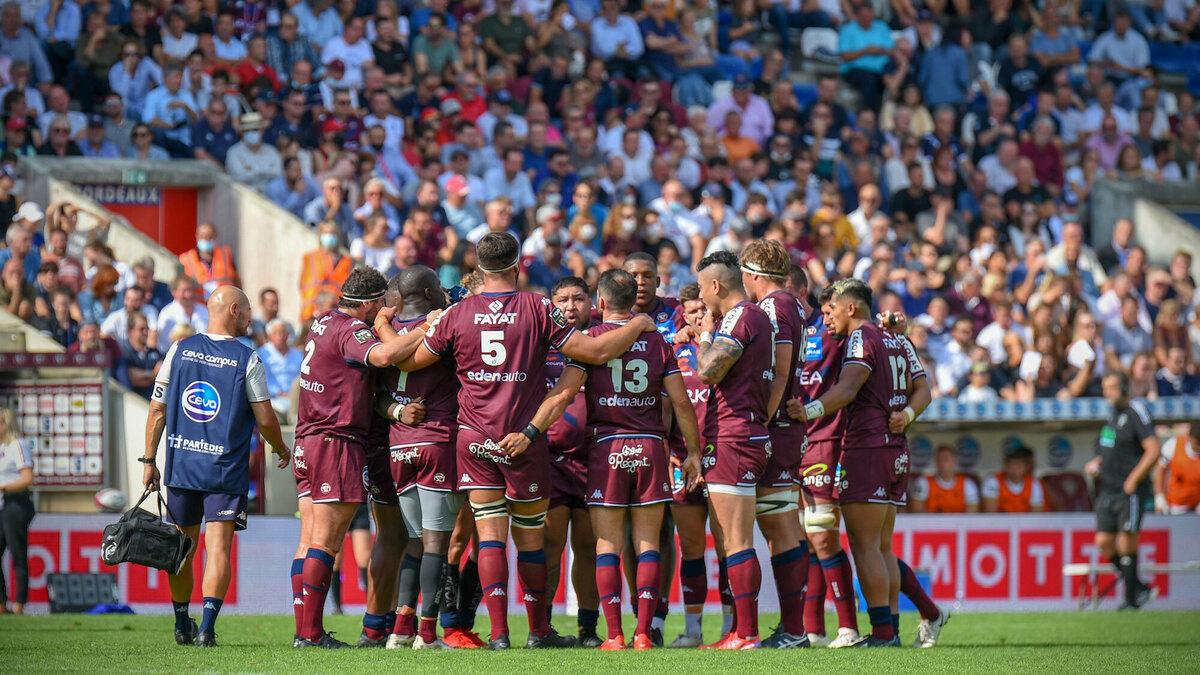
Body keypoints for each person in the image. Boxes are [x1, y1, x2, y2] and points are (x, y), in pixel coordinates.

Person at [392, 232, 656, 649]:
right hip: (524, 439)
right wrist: (640, 321)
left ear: (480, 269)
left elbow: (409, 360)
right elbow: (595, 351)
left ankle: (499, 636)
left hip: (474, 438)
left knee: (490, 536)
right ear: (518, 265)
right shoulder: (537, 307)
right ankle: (538, 631)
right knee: (531, 539)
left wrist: (382, 330)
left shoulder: (456, 314)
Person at [549, 269, 701, 651]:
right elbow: (680, 402)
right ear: (634, 300)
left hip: (607, 447)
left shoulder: (589, 341)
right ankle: (644, 634)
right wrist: (693, 452)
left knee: (608, 546)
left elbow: (565, 395)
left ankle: (614, 635)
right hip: (650, 446)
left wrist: (533, 430)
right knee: (649, 543)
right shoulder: (658, 342)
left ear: (599, 302)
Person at [141, 286, 290, 647]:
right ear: (234, 310)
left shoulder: (178, 350)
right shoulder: (247, 358)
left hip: (182, 464)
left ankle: (181, 623)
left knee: (182, 547)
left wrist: (149, 461)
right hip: (224, 468)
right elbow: (267, 418)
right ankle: (206, 627)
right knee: (218, 548)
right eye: (248, 312)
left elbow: (158, 409)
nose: (251, 319)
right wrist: (280, 447)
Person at [290, 266, 429, 649]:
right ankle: (312, 635)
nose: (382, 309)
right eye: (380, 303)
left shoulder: (322, 322)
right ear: (368, 303)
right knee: (326, 543)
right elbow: (383, 356)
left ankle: (305, 631)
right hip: (335, 440)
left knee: (308, 542)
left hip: (307, 439)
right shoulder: (352, 330)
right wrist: (425, 327)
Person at [788, 278, 931, 647]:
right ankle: (892, 631)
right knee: (882, 547)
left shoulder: (861, 338)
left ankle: (882, 633)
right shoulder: (897, 338)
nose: (827, 316)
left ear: (850, 307)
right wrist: (909, 416)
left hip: (866, 448)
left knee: (865, 547)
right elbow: (924, 389)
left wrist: (809, 410)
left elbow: (848, 389)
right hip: (896, 449)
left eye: (832, 308)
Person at [372, 266, 461, 650]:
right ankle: (427, 634)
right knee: (436, 543)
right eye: (440, 287)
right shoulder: (442, 324)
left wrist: (394, 410)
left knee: (414, 540)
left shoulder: (383, 336)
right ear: (428, 293)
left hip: (399, 446)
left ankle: (400, 632)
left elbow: (373, 393)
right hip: (436, 441)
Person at [692, 250, 774, 649]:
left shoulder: (741, 317)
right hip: (741, 433)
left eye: (703, 292)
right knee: (730, 539)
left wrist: (704, 334)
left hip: (735, 435)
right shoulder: (751, 318)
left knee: (737, 539)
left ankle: (747, 633)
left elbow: (707, 371)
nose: (702, 302)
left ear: (715, 286)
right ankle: (741, 631)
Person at [738, 241, 811, 649]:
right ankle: (794, 628)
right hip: (786, 424)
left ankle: (794, 630)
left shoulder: (773, 307)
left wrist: (762, 417)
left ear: (752, 275)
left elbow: (779, 371)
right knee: (781, 523)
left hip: (777, 424)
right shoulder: (797, 304)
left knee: (780, 525)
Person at [542, 276, 602, 648]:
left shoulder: (602, 339)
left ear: (591, 303)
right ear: (551, 303)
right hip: (548, 460)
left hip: (593, 458)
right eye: (562, 299)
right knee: (549, 546)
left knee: (588, 548)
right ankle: (542, 625)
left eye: (578, 298)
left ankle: (588, 629)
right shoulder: (539, 341)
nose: (569, 306)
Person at [1085, 371, 1161, 610]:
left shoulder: (1136, 412)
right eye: (1105, 388)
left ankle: (1131, 601)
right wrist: (1098, 461)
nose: (1107, 392)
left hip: (1129, 491)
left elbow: (1153, 449)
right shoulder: (1113, 415)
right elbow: (1109, 446)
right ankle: (1139, 589)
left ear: (1125, 388)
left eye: (1113, 387)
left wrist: (1134, 479)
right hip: (1108, 490)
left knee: (1128, 543)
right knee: (1104, 542)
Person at [0, 407, 34, 615]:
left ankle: (19, 604)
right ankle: (2, 603)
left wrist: (2, 487)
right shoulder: (2, 447)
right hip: (2, 504)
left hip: (16, 503)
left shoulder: (17, 444)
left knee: (18, 553)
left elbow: (27, 478)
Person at [909, 445, 981, 513]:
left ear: (954, 461)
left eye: (946, 459)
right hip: (931, 526)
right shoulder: (923, 482)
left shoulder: (967, 484)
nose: (942, 463)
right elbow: (917, 510)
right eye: (939, 459)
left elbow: (972, 515)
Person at [255, 319, 303, 421]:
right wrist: (278, 392)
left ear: (288, 335)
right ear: (269, 336)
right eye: (276, 333)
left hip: (296, 399)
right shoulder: (262, 354)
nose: (280, 336)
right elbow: (261, 378)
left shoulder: (297, 354)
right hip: (273, 399)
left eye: (283, 333)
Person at [179, 222, 241, 301]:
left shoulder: (225, 254)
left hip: (224, 303)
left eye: (209, 236)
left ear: (215, 237)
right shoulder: (186, 259)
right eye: (202, 236)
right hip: (199, 306)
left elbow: (236, 279)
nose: (205, 239)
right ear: (196, 237)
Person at [982, 446, 1046, 513]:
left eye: (1019, 465)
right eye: (1012, 465)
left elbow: (1036, 514)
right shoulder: (993, 481)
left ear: (1026, 467)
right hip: (1000, 522)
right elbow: (991, 513)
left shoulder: (1033, 483)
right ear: (1006, 466)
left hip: (1026, 522)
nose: (1015, 469)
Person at [1154, 424, 1200, 515]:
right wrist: (1159, 497)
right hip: (1176, 506)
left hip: (1197, 506)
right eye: (1197, 443)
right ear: (1190, 437)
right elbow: (1159, 471)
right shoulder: (1173, 445)